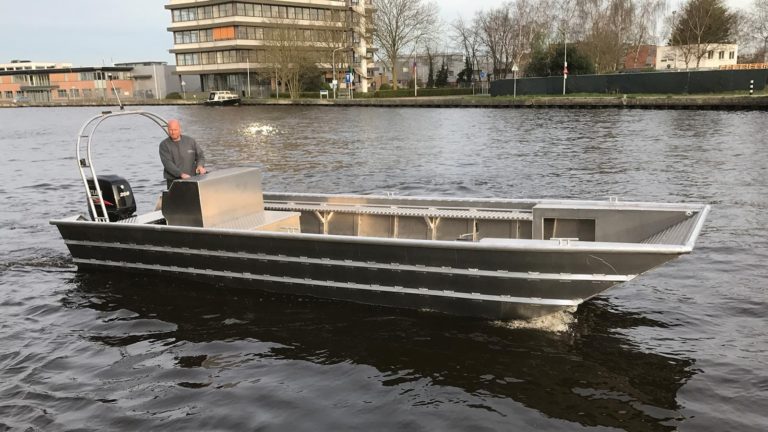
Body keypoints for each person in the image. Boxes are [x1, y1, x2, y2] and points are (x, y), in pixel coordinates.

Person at [159, 119, 206, 188]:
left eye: (175, 130)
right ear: (168, 130)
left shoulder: (190, 141)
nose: (173, 132)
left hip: (192, 180)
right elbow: (167, 164)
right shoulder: (164, 145)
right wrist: (181, 174)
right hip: (174, 182)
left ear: (180, 129)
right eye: (170, 130)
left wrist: (200, 166)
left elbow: (200, 156)